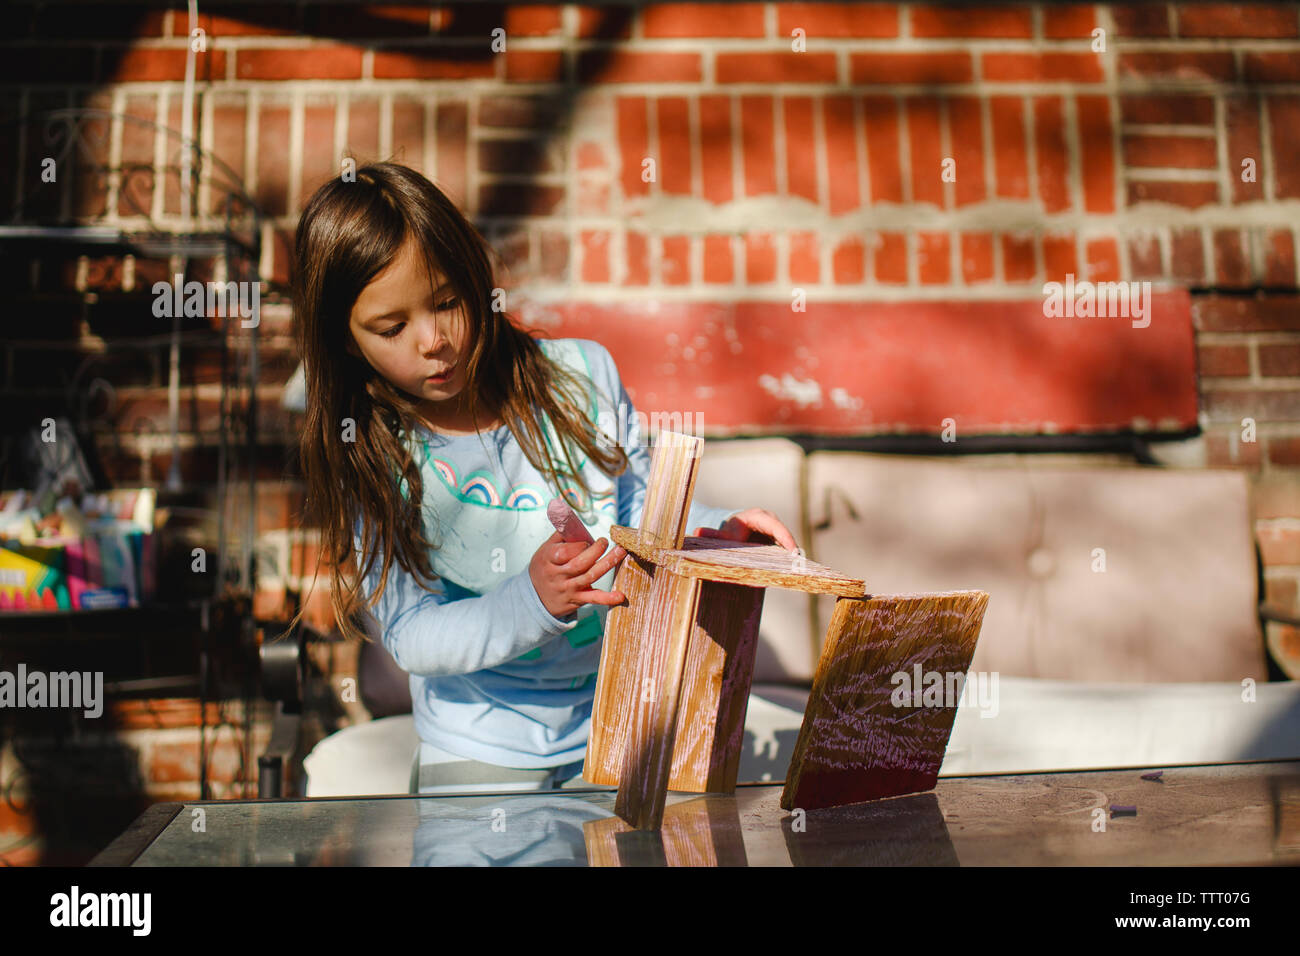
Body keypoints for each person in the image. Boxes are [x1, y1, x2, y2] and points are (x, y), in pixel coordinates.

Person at [289, 161, 798, 795]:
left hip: (617, 726)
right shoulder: (366, 453)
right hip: (476, 748)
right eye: (392, 328)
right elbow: (414, 634)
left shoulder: (582, 378)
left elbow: (641, 511)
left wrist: (709, 537)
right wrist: (529, 603)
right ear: (345, 342)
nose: (433, 340)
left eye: (448, 302)